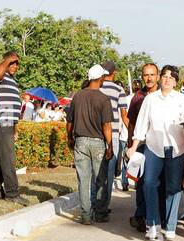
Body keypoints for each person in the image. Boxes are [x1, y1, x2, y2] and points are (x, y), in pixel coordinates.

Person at [126, 64, 184, 241]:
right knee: (149, 183)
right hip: (153, 147)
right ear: (160, 78)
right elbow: (141, 124)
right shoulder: (150, 99)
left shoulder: (180, 99)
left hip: (177, 148)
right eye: (165, 76)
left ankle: (170, 225)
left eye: (171, 76)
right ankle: (152, 224)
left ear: (176, 81)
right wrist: (133, 145)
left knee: (173, 188)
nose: (167, 79)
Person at [68, 65, 115, 224]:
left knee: (84, 180)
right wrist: (110, 146)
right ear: (100, 78)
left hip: (80, 141)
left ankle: (86, 215)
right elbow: (106, 126)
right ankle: (100, 214)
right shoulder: (103, 99)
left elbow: (69, 122)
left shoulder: (77, 96)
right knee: (101, 180)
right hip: (98, 143)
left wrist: (70, 138)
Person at [126, 62, 159, 231]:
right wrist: (131, 144)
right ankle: (141, 215)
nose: (149, 78)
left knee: (153, 181)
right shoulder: (138, 97)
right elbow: (131, 121)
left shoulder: (164, 96)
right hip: (141, 145)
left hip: (159, 146)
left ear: (158, 76)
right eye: (146, 75)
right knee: (141, 182)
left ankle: (155, 215)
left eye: (152, 74)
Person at [0, 51, 23, 201]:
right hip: (1, 122)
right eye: (11, 62)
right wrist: (7, 60)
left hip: (7, 123)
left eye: (16, 63)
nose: (14, 65)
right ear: (5, 61)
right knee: (8, 159)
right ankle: (12, 193)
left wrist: (15, 128)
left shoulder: (12, 80)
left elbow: (12, 107)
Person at [97, 61, 126, 194]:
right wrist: (133, 134)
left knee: (95, 171)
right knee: (108, 173)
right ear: (114, 73)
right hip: (113, 135)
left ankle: (94, 204)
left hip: (96, 133)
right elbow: (124, 115)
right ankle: (104, 205)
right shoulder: (119, 90)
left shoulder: (97, 87)